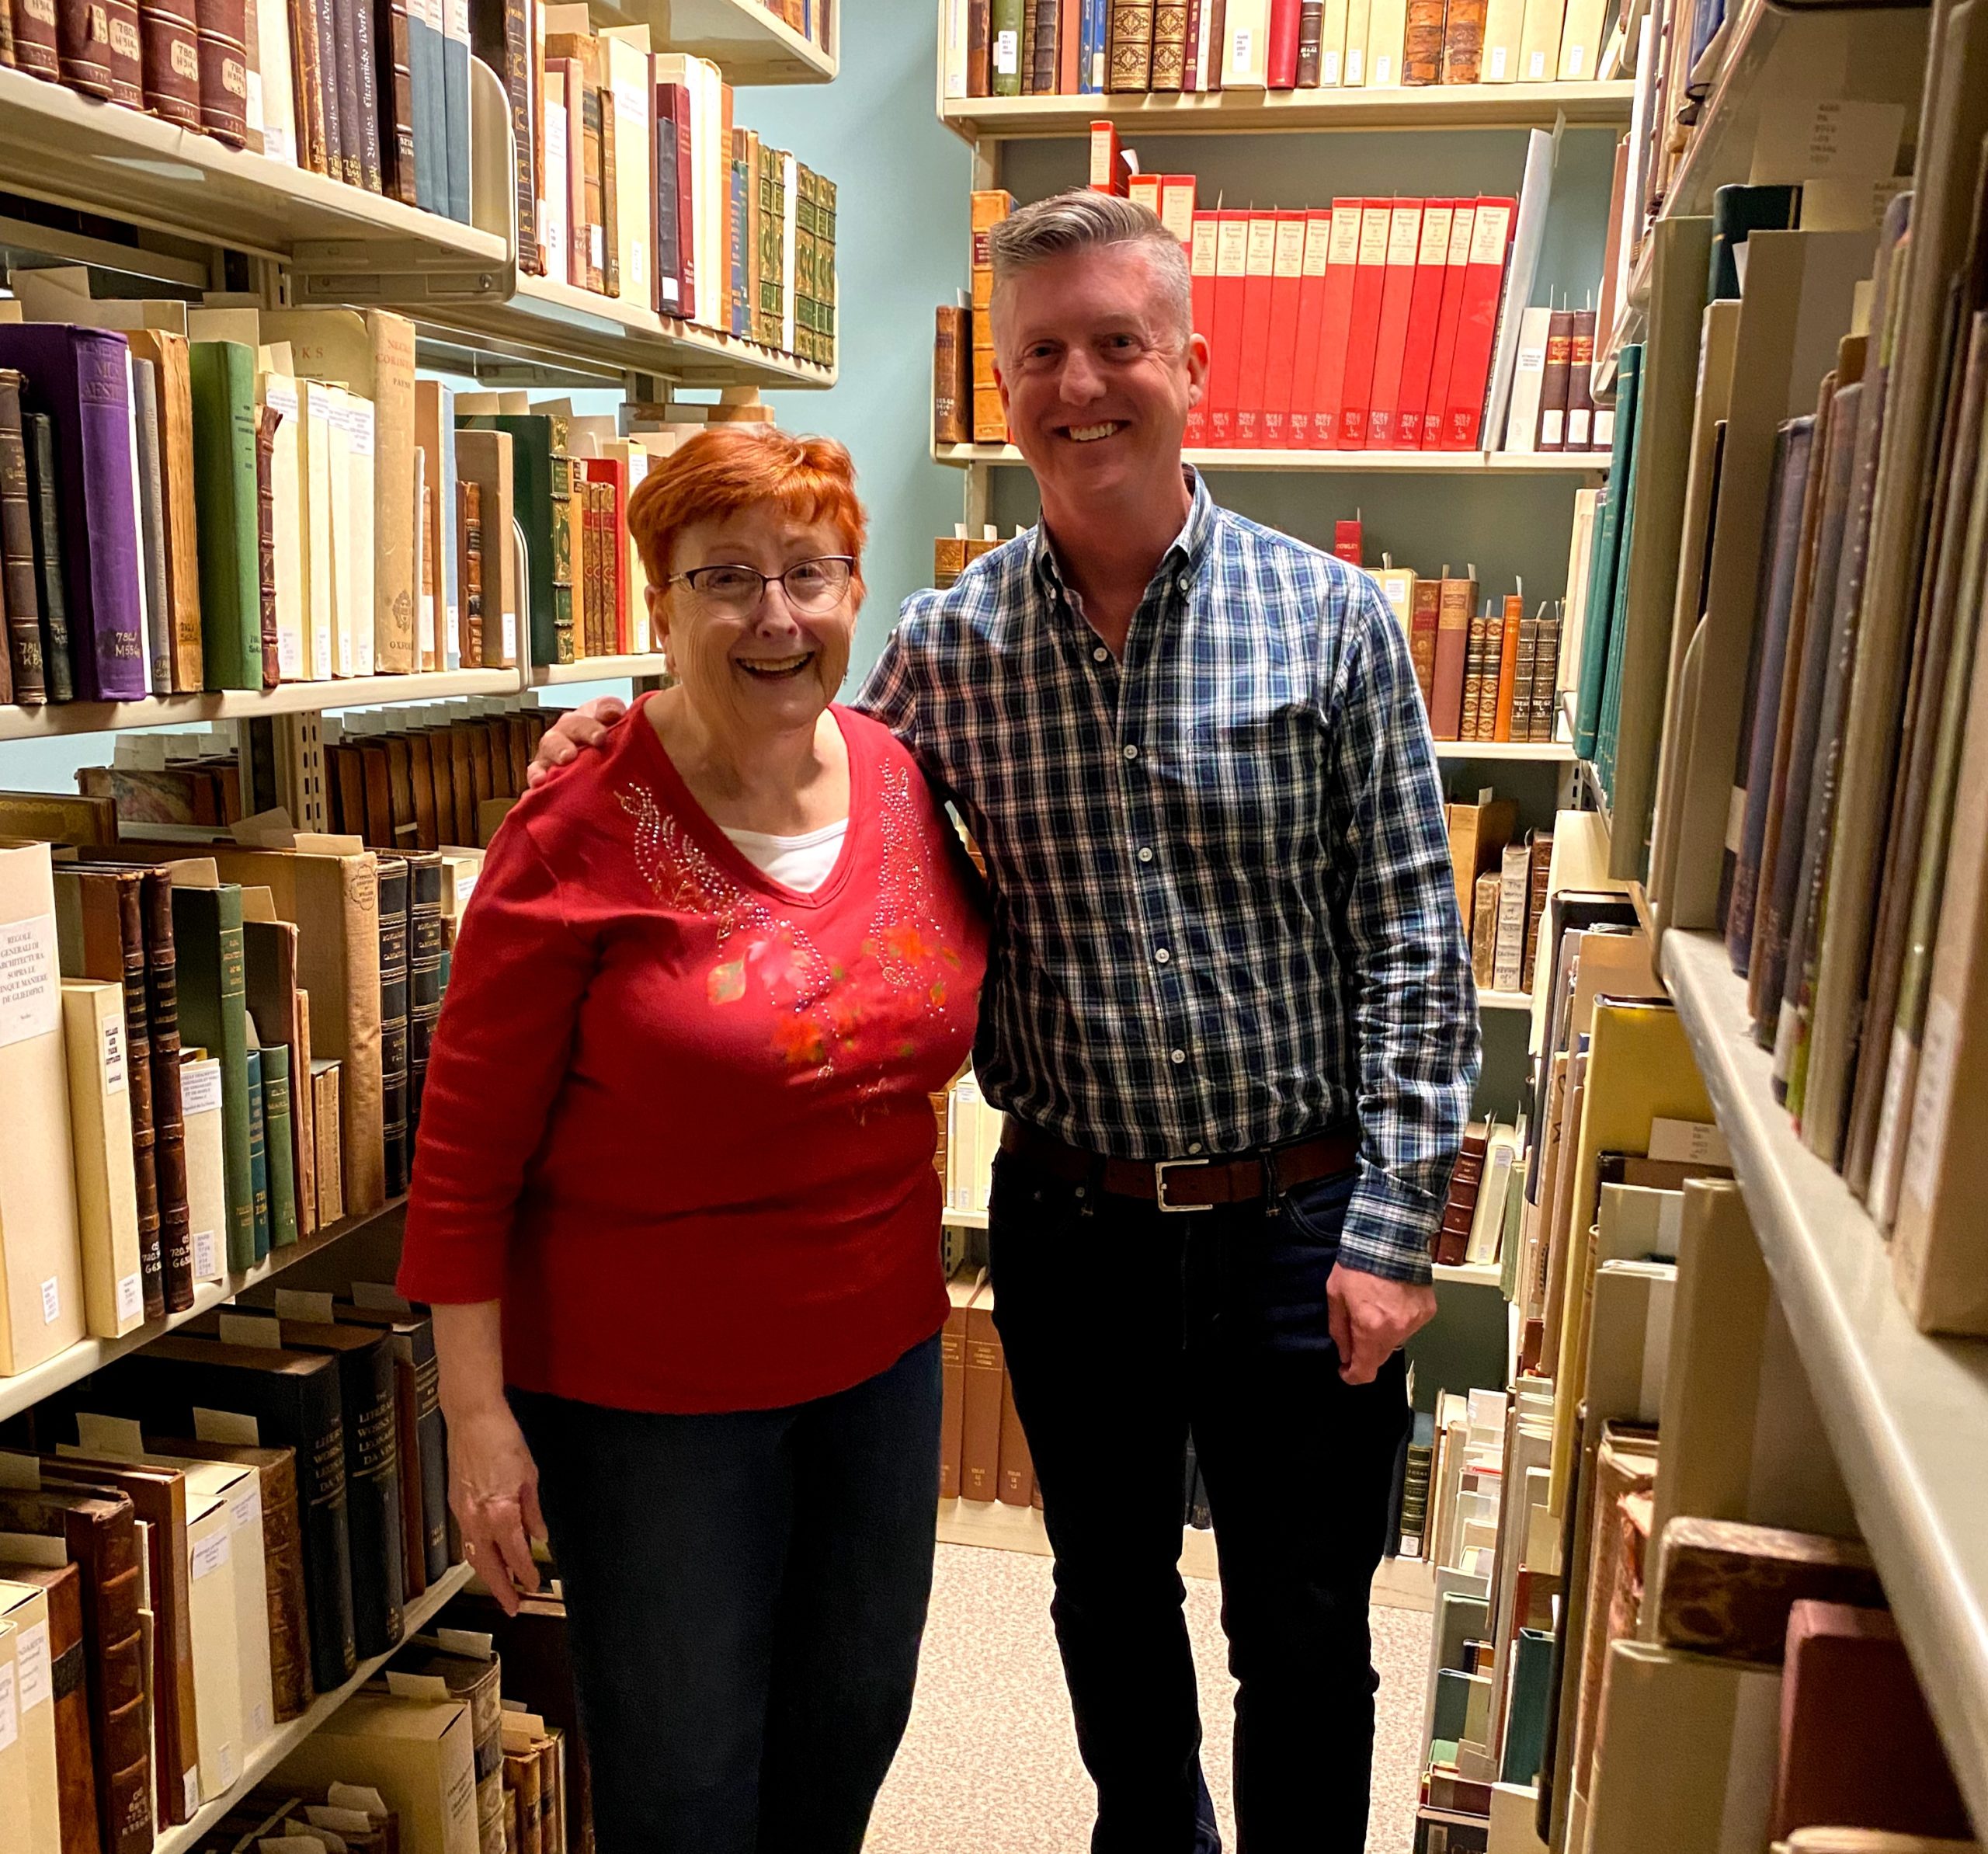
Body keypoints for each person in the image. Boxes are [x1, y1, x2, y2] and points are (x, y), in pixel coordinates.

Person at [531, 190, 1479, 1854]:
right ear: (1000, 387)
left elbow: (1410, 929)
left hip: (1303, 1222)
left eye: (1116, 342)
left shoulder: (1333, 623)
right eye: (1039, 352)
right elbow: (782, 774)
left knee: (1306, 1628)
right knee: (1106, 1601)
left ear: (1191, 362)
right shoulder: (944, 650)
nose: (1078, 383)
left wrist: (1394, 1230)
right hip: (1072, 1224)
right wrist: (621, 741)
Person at [398, 425, 988, 1854]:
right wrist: (479, 1425)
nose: (775, 616)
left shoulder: (904, 779)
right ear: (657, 601)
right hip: (650, 1403)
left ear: (860, 589)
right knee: (683, 1788)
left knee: (849, 1732)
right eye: (724, 578)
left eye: (811, 573)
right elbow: (465, 1154)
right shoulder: (576, 822)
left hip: (883, 1362)